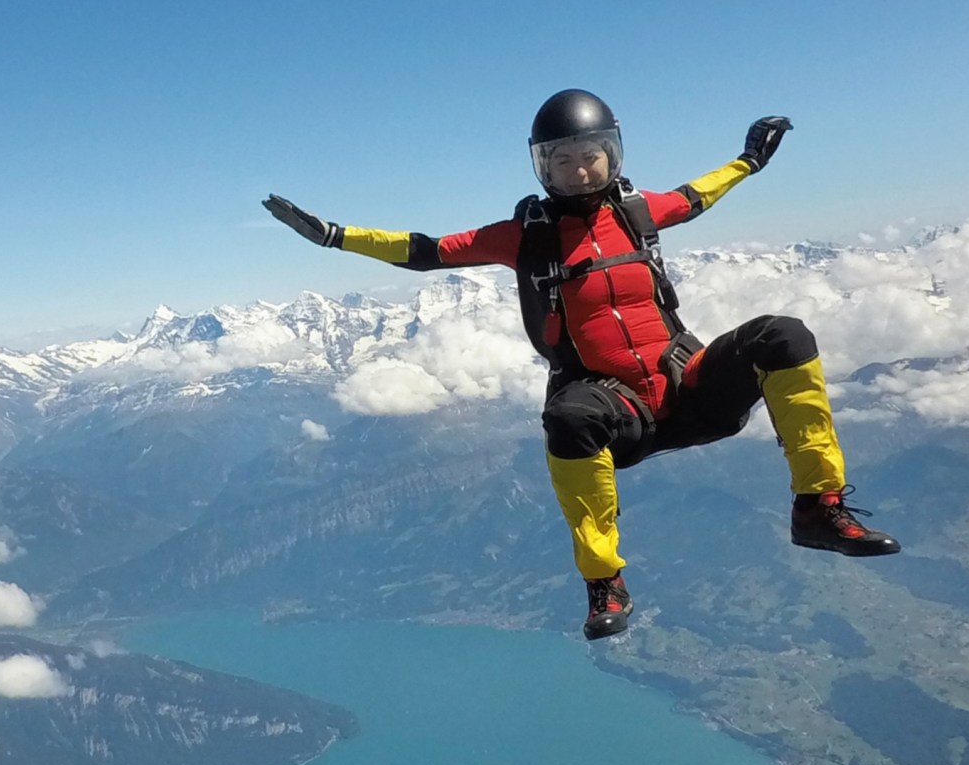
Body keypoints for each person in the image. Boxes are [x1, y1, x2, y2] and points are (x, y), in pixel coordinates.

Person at [263, 89, 899, 641]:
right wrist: (335, 236)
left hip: (689, 387)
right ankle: (604, 583)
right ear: (543, 167)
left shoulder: (637, 212)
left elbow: (695, 195)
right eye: (562, 161)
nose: (579, 170)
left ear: (612, 154)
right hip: (617, 411)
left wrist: (749, 161)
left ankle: (818, 507)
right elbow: (425, 250)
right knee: (566, 418)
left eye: (590, 155)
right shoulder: (525, 236)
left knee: (784, 336)